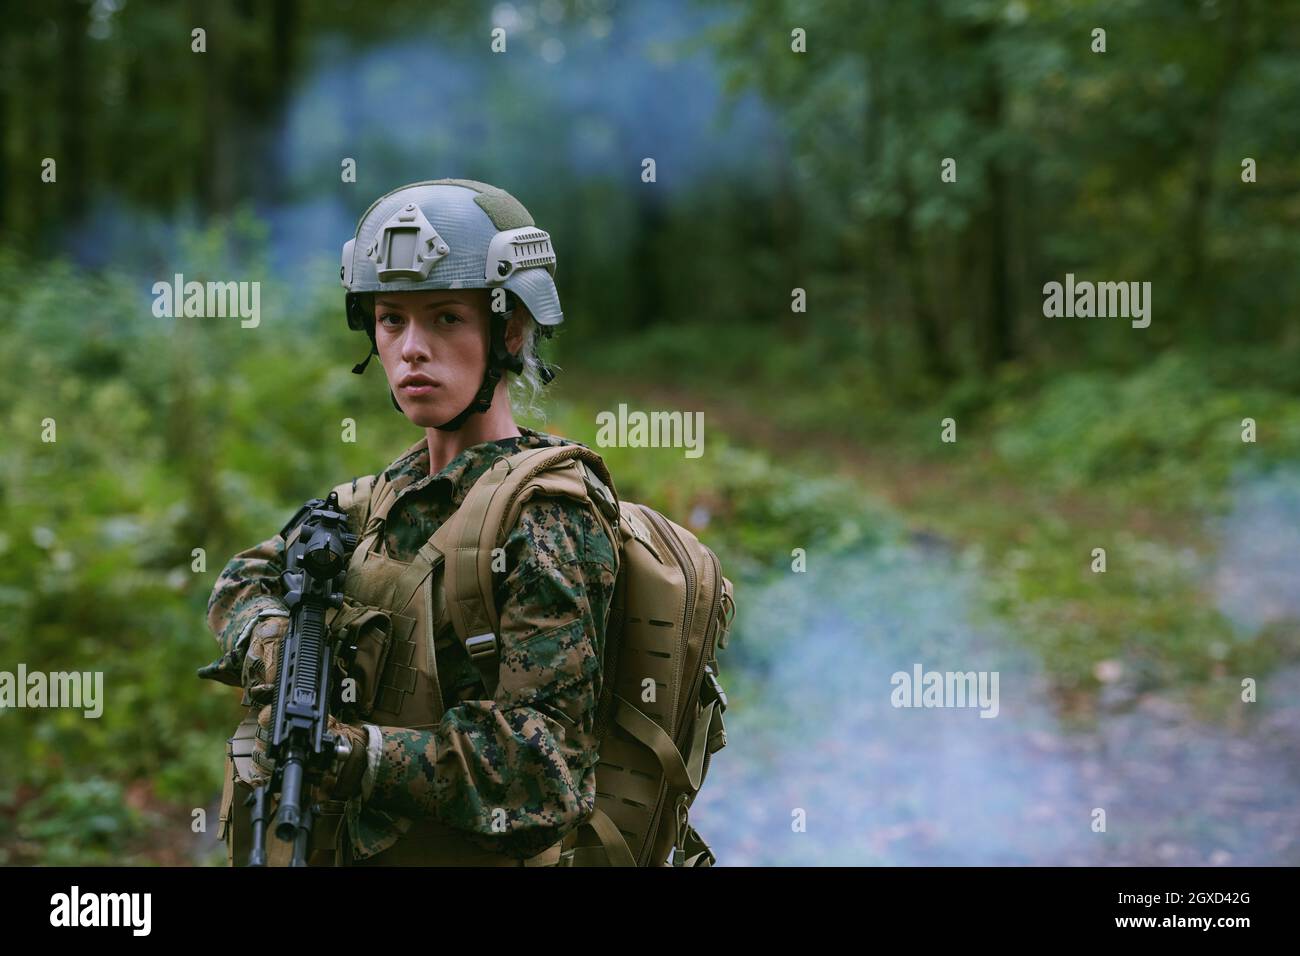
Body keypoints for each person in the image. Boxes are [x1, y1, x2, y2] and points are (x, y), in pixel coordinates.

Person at [198, 179, 620, 866]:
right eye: (392, 319)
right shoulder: (385, 495)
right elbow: (243, 579)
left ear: (510, 331)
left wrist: (357, 754)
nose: (411, 348)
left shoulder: (543, 520)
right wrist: (280, 652)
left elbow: (545, 768)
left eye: (446, 318)